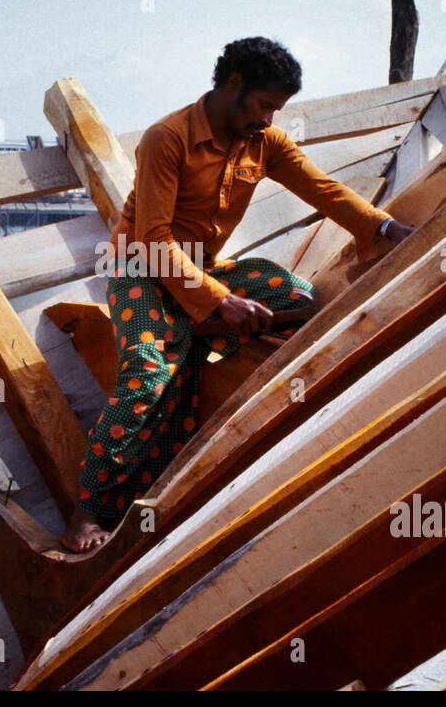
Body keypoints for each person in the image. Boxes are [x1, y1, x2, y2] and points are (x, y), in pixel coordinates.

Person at [61, 37, 413, 552]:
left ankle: (197, 331)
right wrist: (220, 302)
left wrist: (383, 230)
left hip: (202, 272)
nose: (270, 118)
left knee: (296, 296)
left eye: (277, 109)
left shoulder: (264, 141)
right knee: (147, 373)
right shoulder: (168, 137)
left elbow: (323, 190)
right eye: (264, 104)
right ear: (233, 85)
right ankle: (89, 509)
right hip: (140, 268)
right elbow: (152, 240)